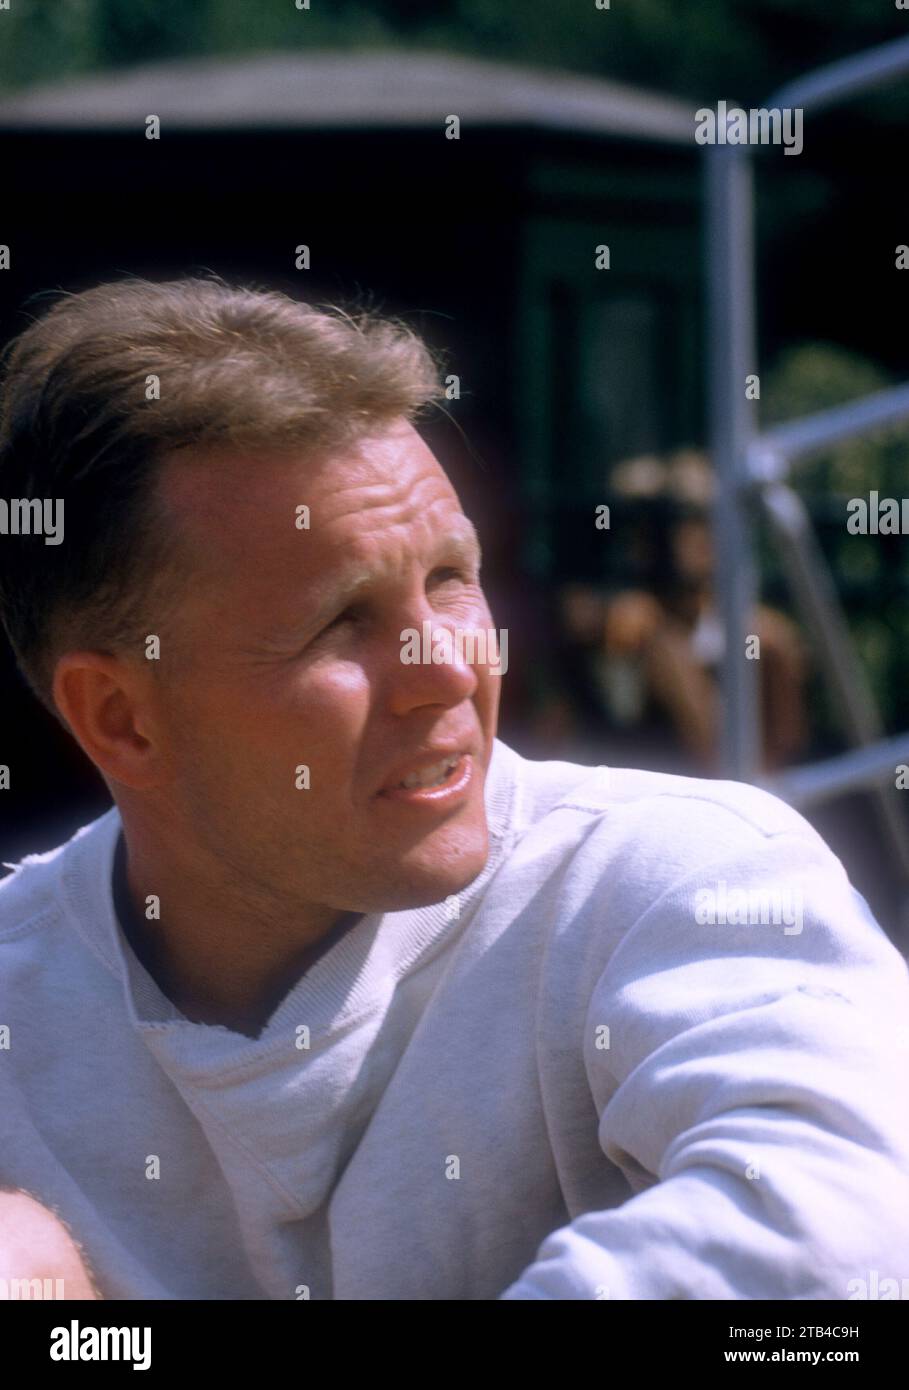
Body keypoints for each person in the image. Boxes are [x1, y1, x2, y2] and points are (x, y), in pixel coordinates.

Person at [0, 275, 907, 1301]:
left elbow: (839, 1241)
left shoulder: (676, 875)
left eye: (449, 578)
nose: (451, 666)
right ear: (121, 717)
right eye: (340, 618)